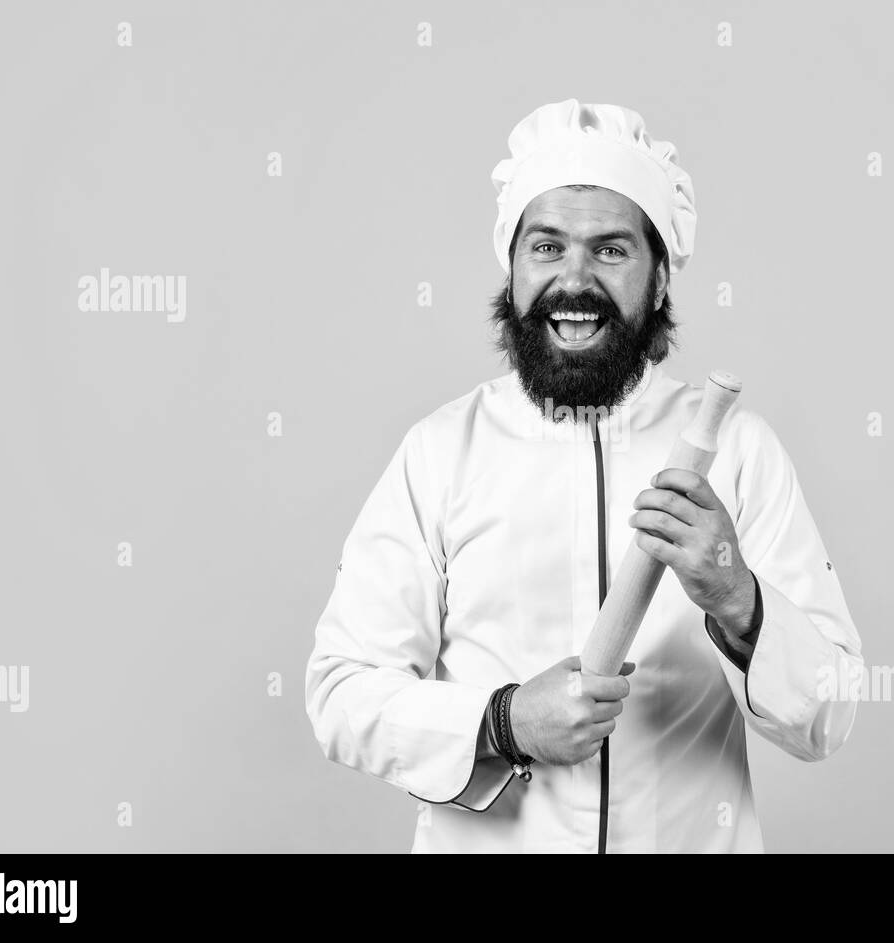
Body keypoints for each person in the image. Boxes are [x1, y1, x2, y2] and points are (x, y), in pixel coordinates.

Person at [305, 99, 864, 853]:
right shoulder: (439, 452)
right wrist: (502, 722)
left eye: (610, 250)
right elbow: (341, 693)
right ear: (512, 271)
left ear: (659, 279)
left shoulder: (739, 451)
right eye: (547, 246)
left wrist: (738, 596)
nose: (575, 279)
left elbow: (830, 715)